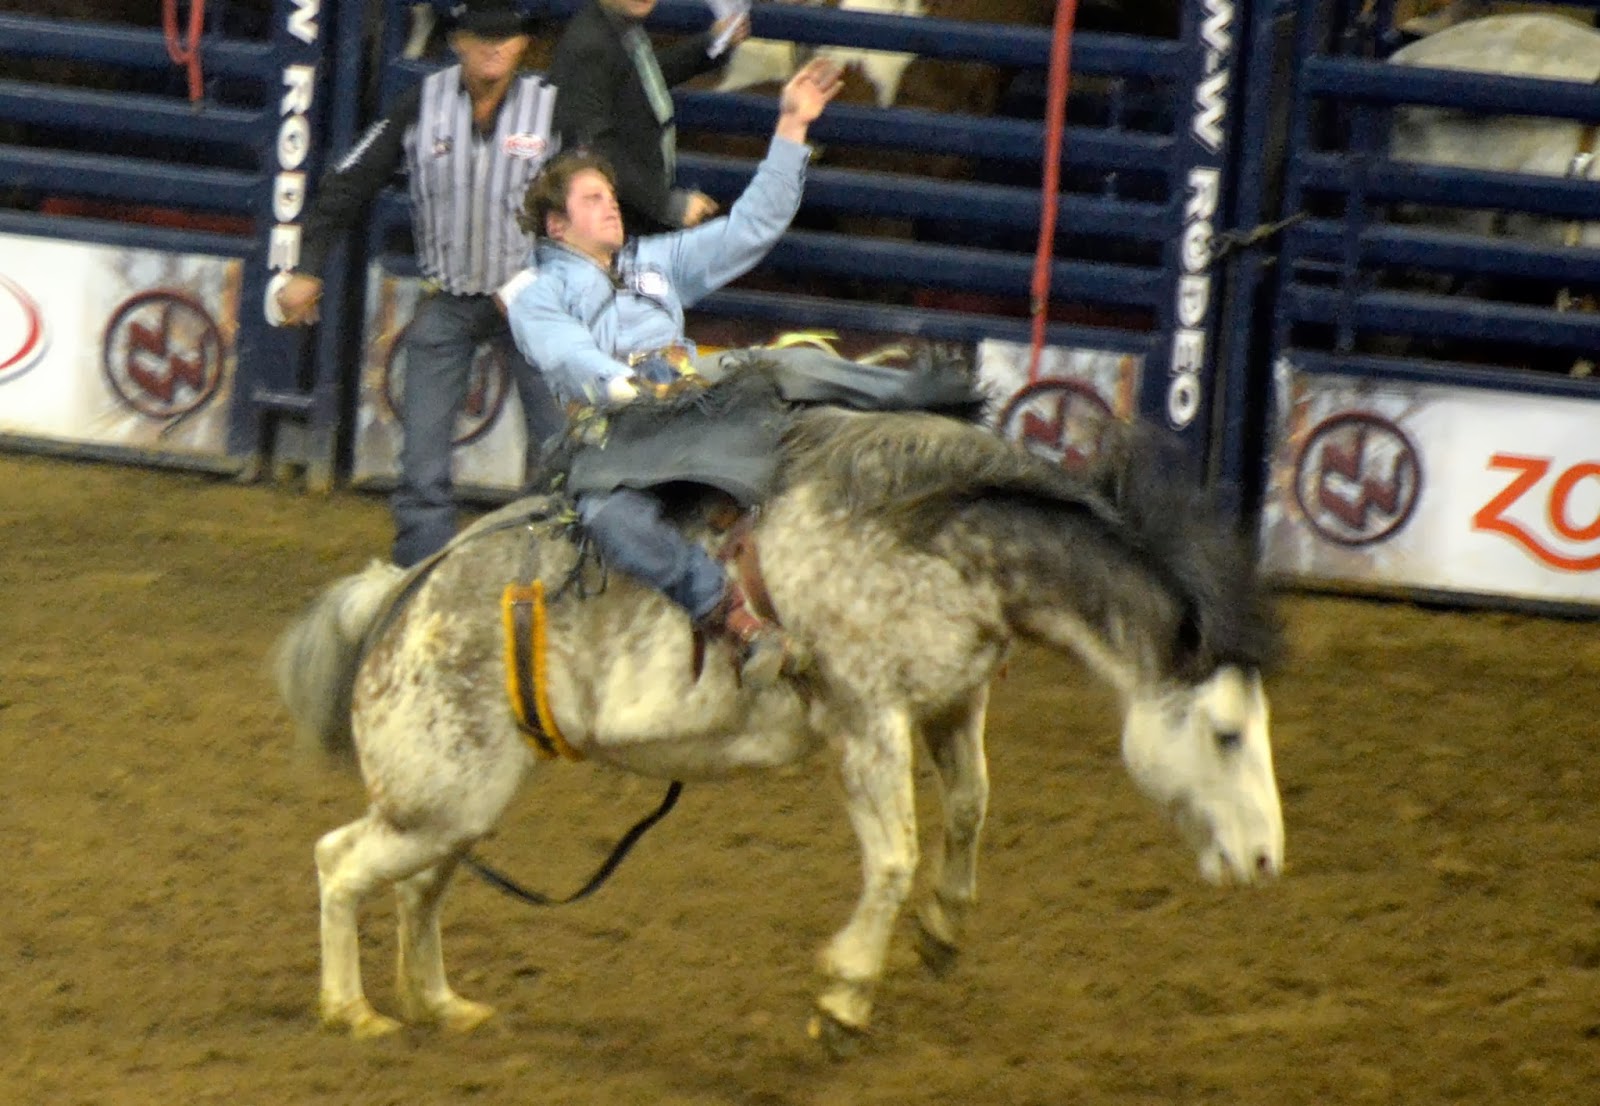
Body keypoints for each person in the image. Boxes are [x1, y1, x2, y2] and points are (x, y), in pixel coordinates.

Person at [501, 58, 846, 686]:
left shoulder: (653, 262)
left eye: (611, 197)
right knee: (609, 515)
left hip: (696, 406)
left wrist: (792, 128)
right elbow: (567, 355)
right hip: (616, 438)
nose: (612, 207)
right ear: (557, 226)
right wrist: (630, 385)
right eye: (593, 200)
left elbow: (750, 228)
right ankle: (727, 614)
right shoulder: (535, 291)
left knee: (810, 378)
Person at [272, 0, 566, 569]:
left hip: (534, 298)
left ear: (523, 45)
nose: (495, 45)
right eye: (481, 35)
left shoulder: (554, 108)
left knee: (563, 448)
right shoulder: (420, 105)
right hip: (451, 295)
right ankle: (421, 570)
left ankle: (556, 563)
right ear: (457, 42)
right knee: (422, 459)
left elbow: (595, 192)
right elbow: (351, 179)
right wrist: (308, 265)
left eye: (506, 36)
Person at [547, 0, 750, 234]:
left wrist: (711, 44)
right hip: (620, 220)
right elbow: (593, 147)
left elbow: (641, 80)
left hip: (630, 209)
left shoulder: (617, 27)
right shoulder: (591, 45)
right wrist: (665, 204)